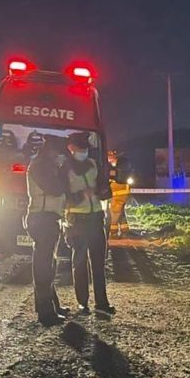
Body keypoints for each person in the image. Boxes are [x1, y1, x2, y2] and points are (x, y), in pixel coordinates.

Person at [64, 132, 114, 314]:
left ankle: (102, 303)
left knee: (99, 263)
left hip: (96, 218)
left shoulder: (94, 165)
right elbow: (63, 197)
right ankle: (82, 303)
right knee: (79, 262)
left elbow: (106, 191)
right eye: (80, 148)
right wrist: (80, 195)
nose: (84, 151)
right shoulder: (64, 169)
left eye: (86, 148)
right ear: (71, 148)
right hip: (77, 221)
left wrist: (103, 190)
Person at [25, 134, 70, 325]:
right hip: (42, 219)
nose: (61, 156)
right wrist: (65, 173)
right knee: (44, 268)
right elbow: (55, 189)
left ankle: (51, 306)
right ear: (51, 150)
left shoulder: (45, 164)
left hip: (47, 218)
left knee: (49, 266)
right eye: (59, 152)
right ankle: (46, 313)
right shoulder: (41, 166)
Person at [106, 150, 131, 238]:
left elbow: (113, 178)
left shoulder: (116, 169)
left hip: (118, 194)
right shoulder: (120, 167)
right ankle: (125, 231)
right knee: (120, 212)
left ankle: (113, 233)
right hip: (121, 193)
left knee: (115, 213)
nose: (108, 158)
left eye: (109, 156)